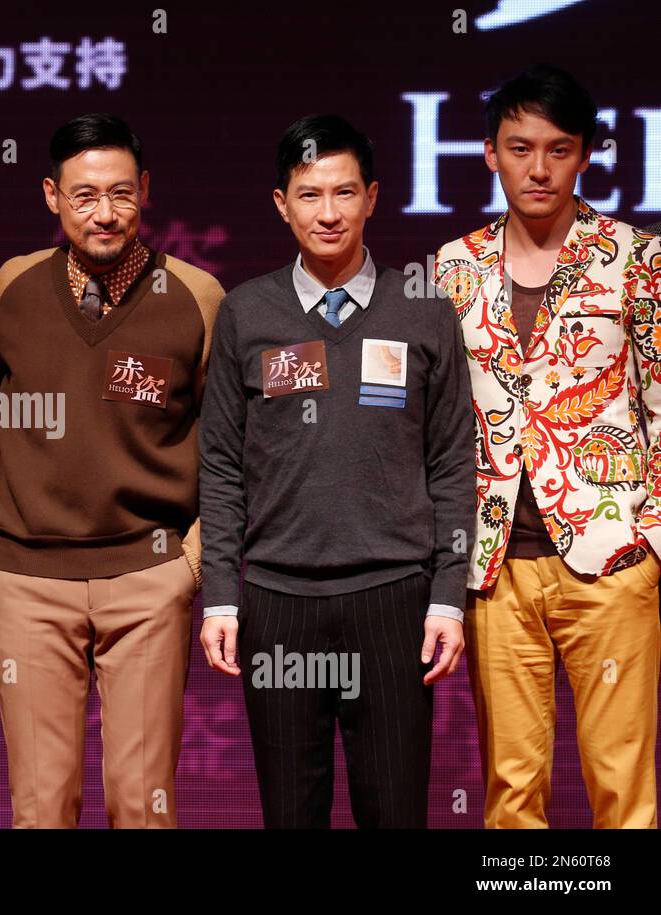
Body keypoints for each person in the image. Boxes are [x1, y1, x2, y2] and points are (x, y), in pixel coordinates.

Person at [200, 114, 474, 828]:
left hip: (394, 600)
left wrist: (447, 597)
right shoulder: (245, 313)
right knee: (292, 813)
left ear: (374, 197)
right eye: (310, 194)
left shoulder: (423, 309)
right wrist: (222, 596)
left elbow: (451, 463)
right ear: (281, 203)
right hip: (277, 604)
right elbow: (222, 466)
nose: (329, 213)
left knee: (395, 811)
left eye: (345, 192)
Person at [433, 64, 661, 829]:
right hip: (495, 567)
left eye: (558, 149)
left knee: (622, 785)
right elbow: (440, 422)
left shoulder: (638, 257)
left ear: (587, 153)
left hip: (612, 558)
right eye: (519, 147)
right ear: (490, 152)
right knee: (511, 789)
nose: (538, 168)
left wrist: (652, 539)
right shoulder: (451, 267)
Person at [0, 113, 222, 828]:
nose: (105, 212)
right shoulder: (10, 289)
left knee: (142, 804)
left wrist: (191, 562)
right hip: (29, 581)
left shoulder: (199, 297)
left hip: (148, 578)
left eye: (121, 193)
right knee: (40, 807)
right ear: (51, 195)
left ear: (145, 191)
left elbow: (232, 446)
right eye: (84, 196)